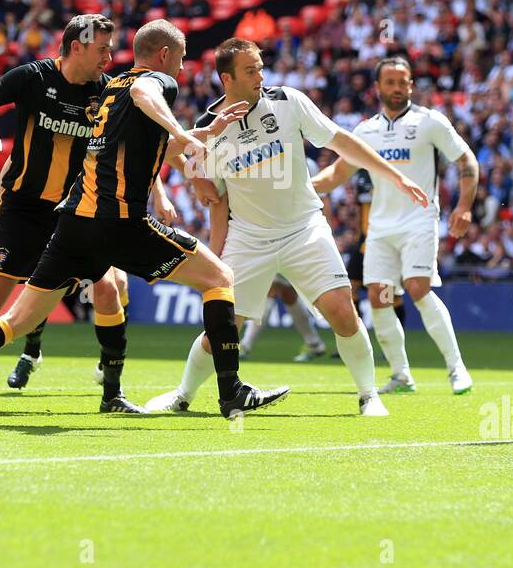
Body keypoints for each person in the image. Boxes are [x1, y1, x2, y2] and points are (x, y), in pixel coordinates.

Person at [0, 20, 289, 423]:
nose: (182, 66)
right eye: (180, 56)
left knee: (18, 319)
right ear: (163, 55)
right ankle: (231, 393)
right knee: (220, 279)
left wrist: (203, 132)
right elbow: (148, 95)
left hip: (73, 223)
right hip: (120, 223)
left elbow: (146, 138)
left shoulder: (110, 89)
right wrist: (183, 131)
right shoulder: (155, 83)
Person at [145, 39, 427, 416]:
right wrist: (217, 256)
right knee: (222, 330)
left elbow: (342, 140)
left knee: (343, 312)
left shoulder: (288, 101)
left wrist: (394, 177)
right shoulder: (207, 129)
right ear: (226, 78)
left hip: (303, 228)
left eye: (261, 67)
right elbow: (216, 197)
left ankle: (368, 395)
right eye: (251, 70)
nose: (261, 75)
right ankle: (182, 396)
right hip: (249, 236)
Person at [0, 15, 161, 403]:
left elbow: (132, 148)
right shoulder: (33, 78)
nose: (109, 56)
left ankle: (111, 394)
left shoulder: (106, 92)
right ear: (77, 46)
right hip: (22, 211)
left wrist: (164, 193)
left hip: (74, 213)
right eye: (102, 48)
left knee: (108, 288)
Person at [314, 58, 479, 394]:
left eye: (402, 81)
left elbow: (466, 160)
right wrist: (298, 186)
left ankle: (456, 368)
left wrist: (464, 206)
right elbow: (335, 175)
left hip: (419, 221)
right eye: (389, 82)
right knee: (380, 296)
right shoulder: (365, 132)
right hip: (381, 229)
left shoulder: (429, 122)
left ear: (411, 85)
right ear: (377, 88)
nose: (396, 88)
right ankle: (401, 375)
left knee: (418, 286)